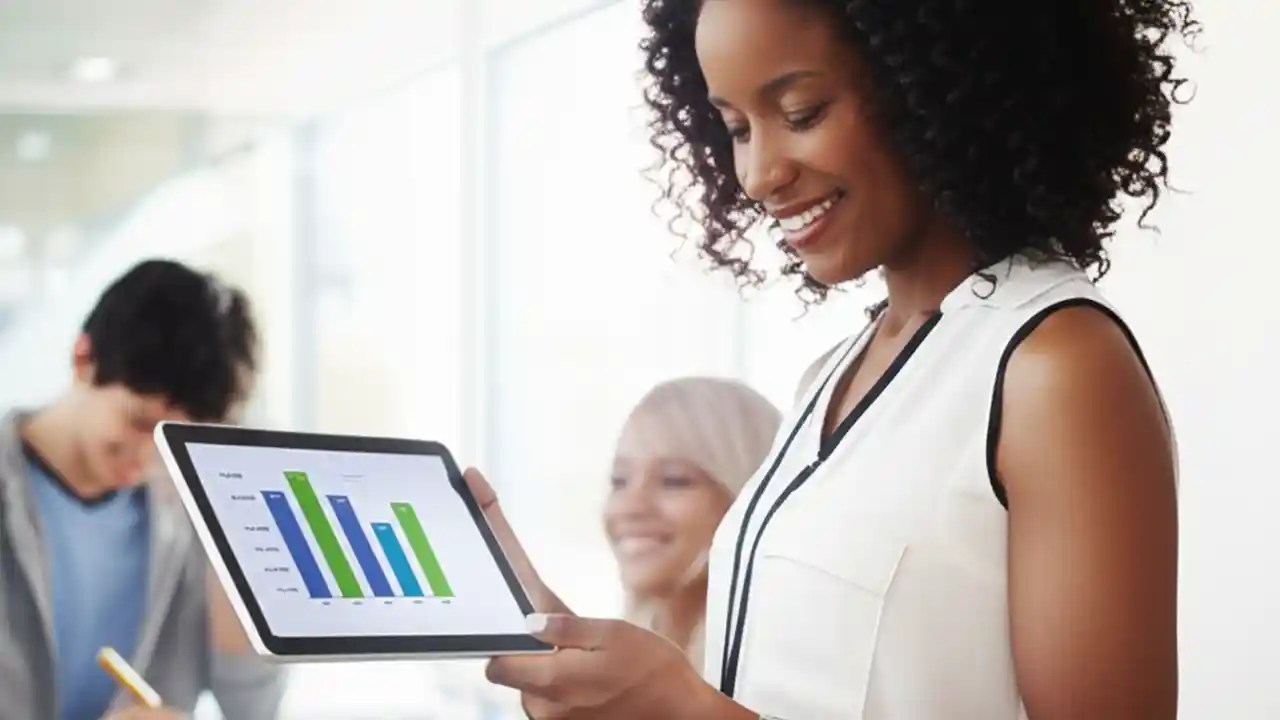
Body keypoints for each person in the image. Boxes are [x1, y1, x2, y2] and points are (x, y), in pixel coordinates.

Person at [479, 0, 1193, 717]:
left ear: (929, 87)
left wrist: (684, 710)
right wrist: (585, 675)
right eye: (735, 129)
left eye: (801, 112)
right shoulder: (830, 378)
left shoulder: (1053, 366)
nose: (758, 175)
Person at [0, 260, 284, 720]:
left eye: (176, 439)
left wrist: (239, 560)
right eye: (140, 423)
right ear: (83, 360)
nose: (151, 458)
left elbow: (252, 707)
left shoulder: (190, 510)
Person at [605, 377, 780, 661]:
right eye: (619, 481)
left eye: (674, 480)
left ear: (747, 499)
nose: (630, 507)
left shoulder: (779, 672)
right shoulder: (618, 669)